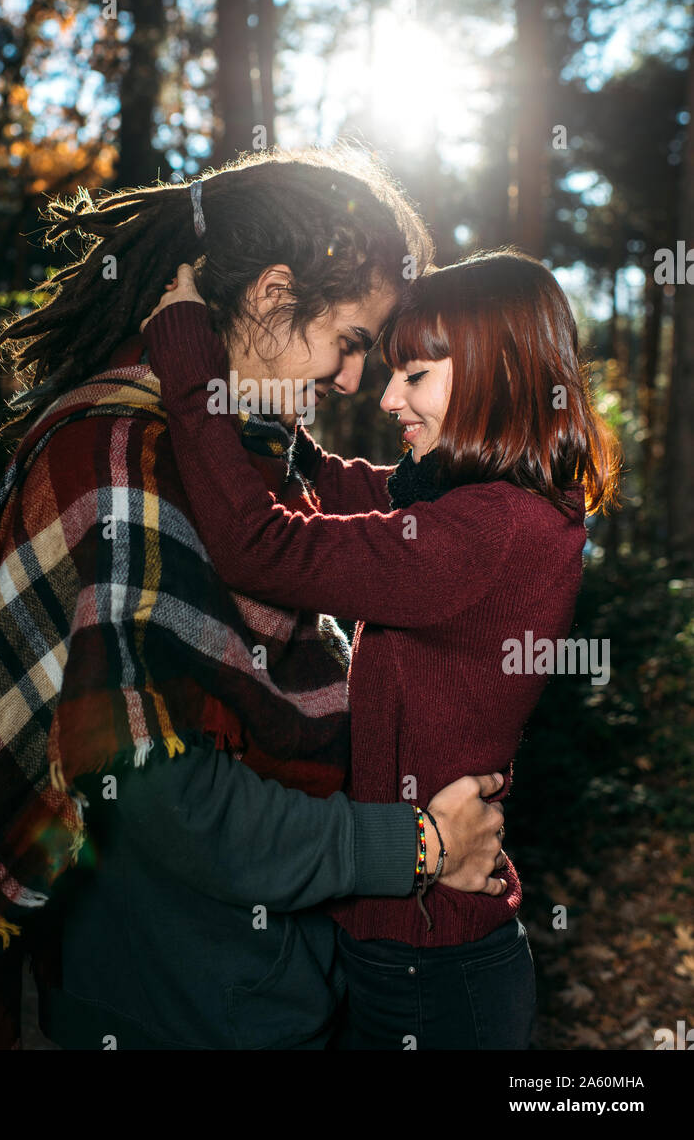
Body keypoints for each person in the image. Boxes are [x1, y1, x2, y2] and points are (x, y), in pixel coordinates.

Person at [0, 146, 507, 1053]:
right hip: (182, 1005)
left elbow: (367, 511)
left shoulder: (237, 454)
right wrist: (415, 849)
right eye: (350, 341)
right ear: (272, 297)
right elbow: (161, 799)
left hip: (248, 986)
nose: (352, 381)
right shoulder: (122, 461)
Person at [139, 248, 622, 1050]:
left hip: (433, 965)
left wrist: (191, 369)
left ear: (499, 376)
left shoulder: (489, 530)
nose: (387, 395)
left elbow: (261, 547)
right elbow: (337, 484)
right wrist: (261, 393)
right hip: (412, 938)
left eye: (417, 375)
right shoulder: (482, 498)